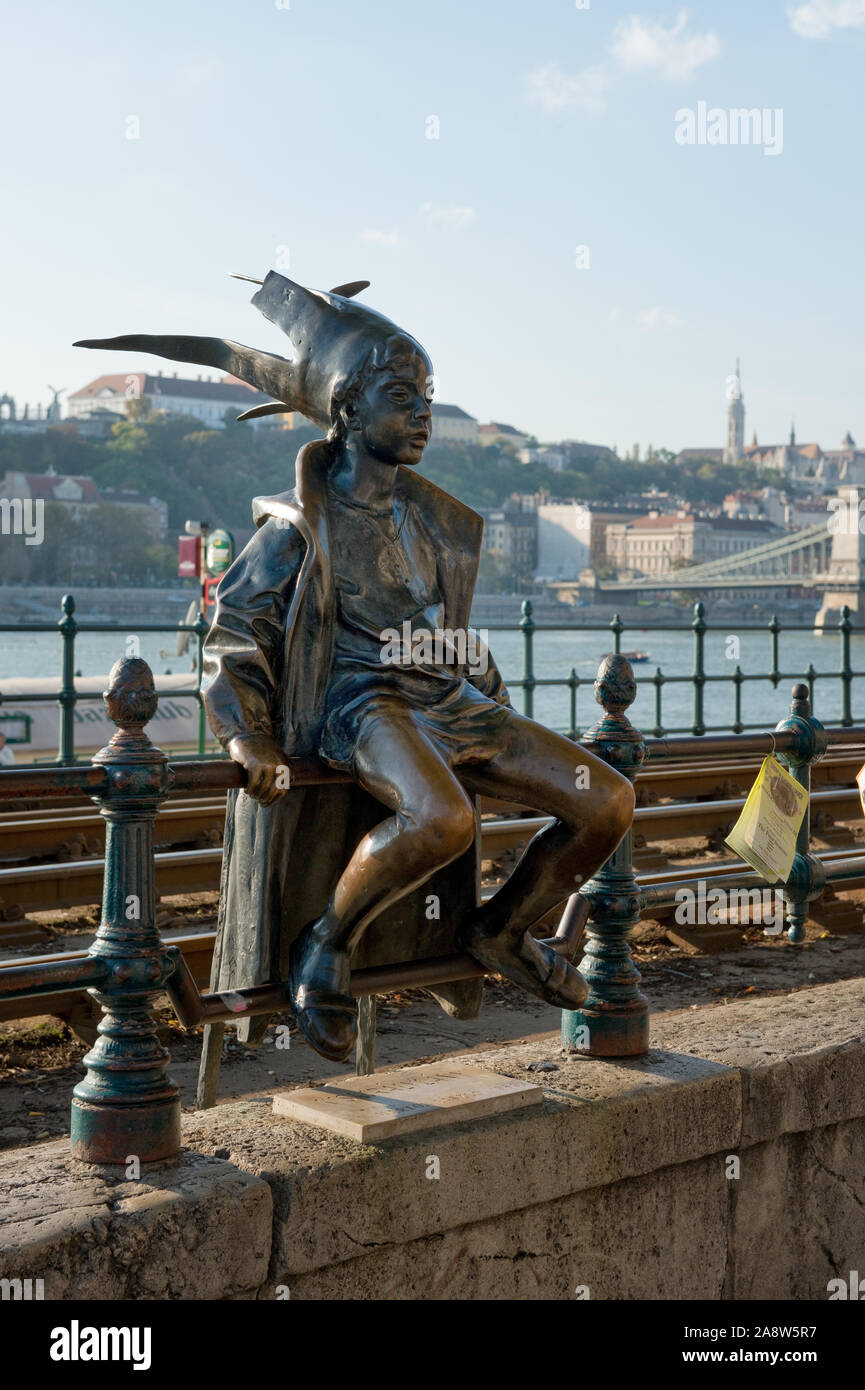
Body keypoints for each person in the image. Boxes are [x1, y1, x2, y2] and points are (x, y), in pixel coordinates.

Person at [75, 272, 634, 1063]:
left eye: (428, 399)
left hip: (445, 698)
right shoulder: (296, 525)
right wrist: (246, 739)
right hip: (358, 704)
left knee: (607, 798)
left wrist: (471, 665)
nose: (422, 417)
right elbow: (234, 634)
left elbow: (435, 629)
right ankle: (324, 947)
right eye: (402, 397)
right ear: (347, 409)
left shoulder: (429, 523)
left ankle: (501, 930)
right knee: (442, 818)